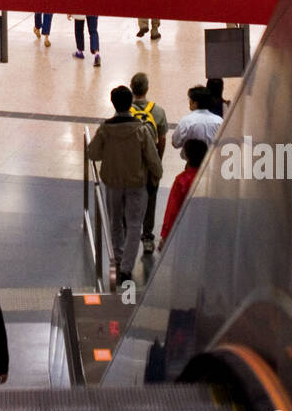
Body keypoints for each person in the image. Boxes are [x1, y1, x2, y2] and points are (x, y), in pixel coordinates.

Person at [88, 85, 162, 284]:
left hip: (113, 182)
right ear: (130, 104)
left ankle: (117, 259)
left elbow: (92, 153)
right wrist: (156, 176)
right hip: (137, 184)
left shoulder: (105, 129)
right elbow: (153, 159)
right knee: (134, 224)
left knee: (115, 222)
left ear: (112, 103)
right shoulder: (141, 130)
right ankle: (127, 268)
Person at [129, 73, 168, 254]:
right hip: (150, 165)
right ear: (147, 88)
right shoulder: (158, 112)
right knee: (150, 199)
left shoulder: (124, 110)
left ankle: (127, 234)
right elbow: (162, 140)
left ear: (132, 88)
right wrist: (157, 161)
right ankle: (147, 237)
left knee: (128, 200)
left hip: (130, 166)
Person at [159, 139, 208, 250]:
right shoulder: (209, 180)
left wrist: (166, 235)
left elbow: (172, 210)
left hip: (184, 231)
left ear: (188, 157)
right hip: (204, 233)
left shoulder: (182, 180)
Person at [171, 86, 223, 157]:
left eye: (189, 99)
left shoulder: (186, 121)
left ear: (195, 103)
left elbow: (175, 143)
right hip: (214, 163)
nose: (189, 102)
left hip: (193, 165)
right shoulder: (219, 121)